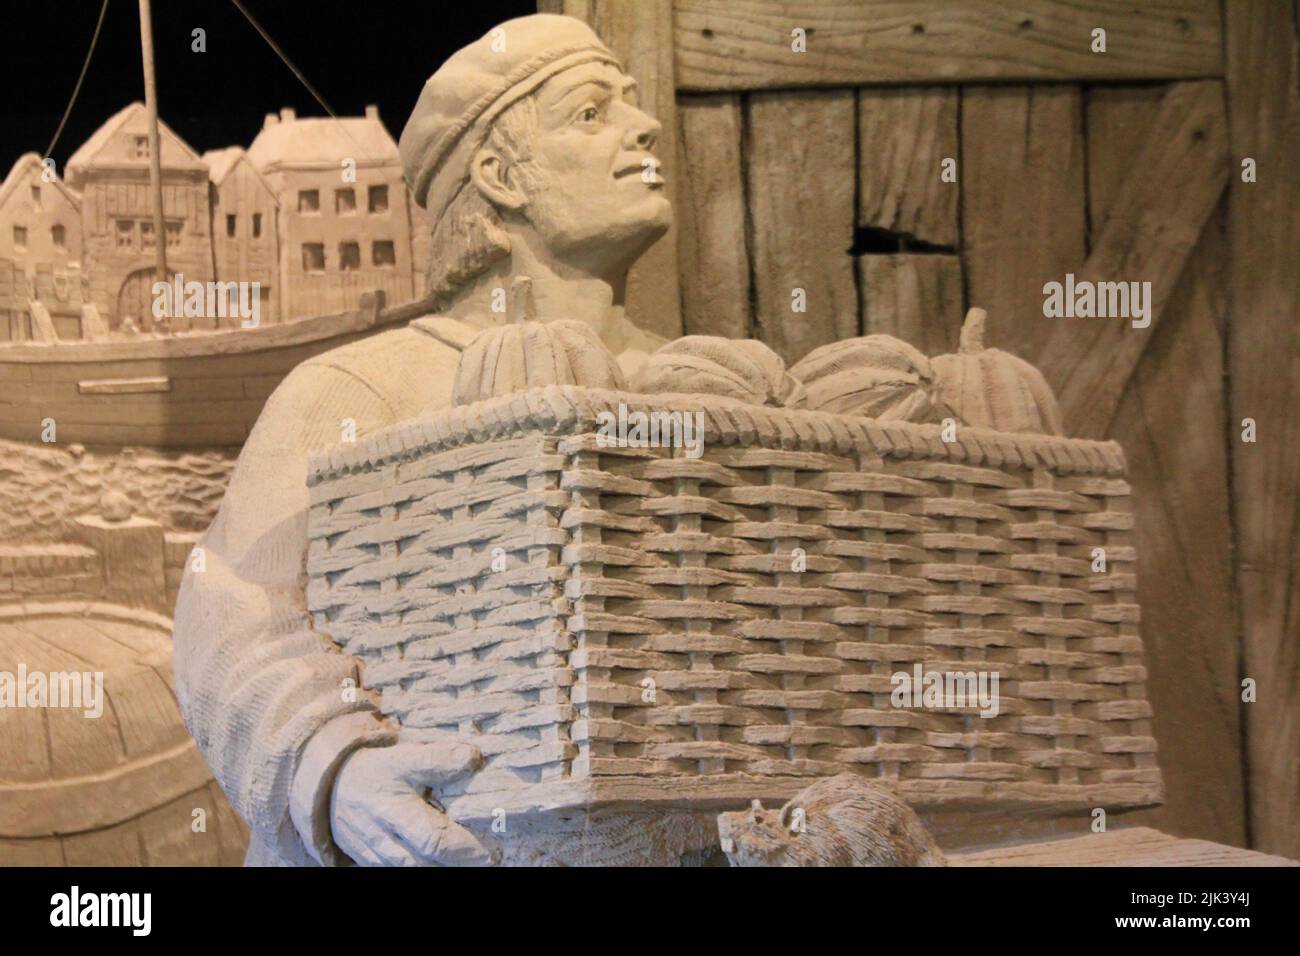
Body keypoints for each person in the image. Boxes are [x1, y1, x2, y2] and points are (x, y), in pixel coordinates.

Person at [173, 13, 671, 866]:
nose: (646, 124)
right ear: (498, 174)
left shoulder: (702, 382)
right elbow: (229, 611)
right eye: (593, 112)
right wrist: (333, 767)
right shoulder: (358, 388)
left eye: (633, 101)